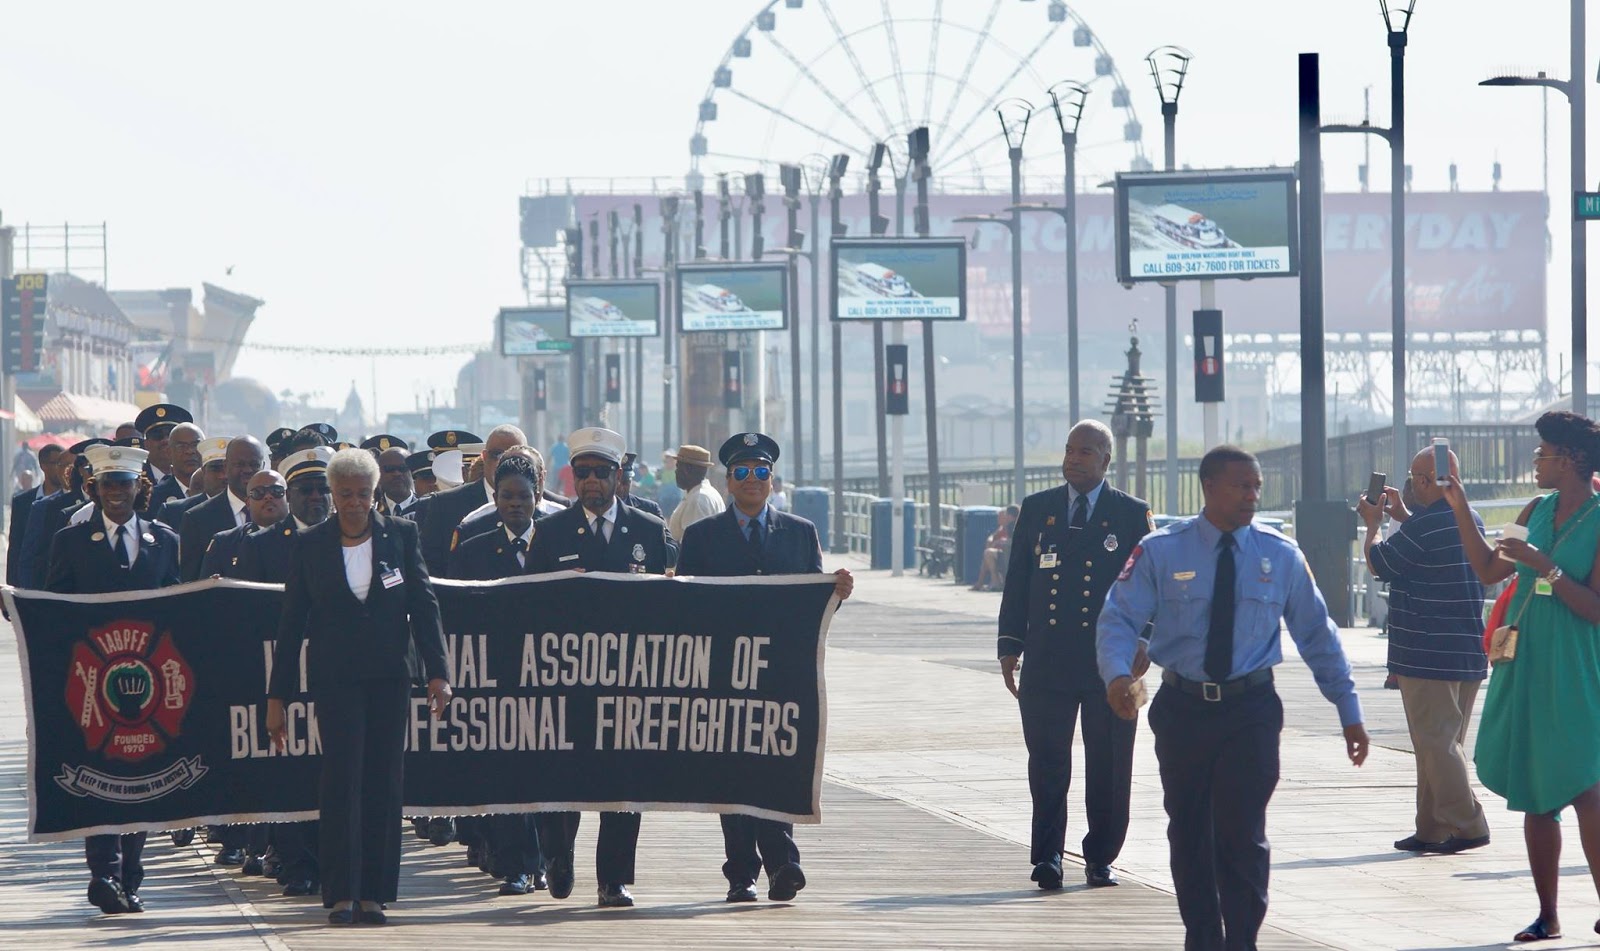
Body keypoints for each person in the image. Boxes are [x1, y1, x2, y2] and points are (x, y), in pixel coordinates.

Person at [1097, 445, 1368, 951]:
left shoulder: (1280, 554)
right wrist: (1116, 676)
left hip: (1251, 711)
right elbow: (1119, 616)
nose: (1252, 495)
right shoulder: (1161, 550)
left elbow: (1318, 635)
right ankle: (1203, 938)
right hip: (1183, 711)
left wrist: (1348, 710)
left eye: (1256, 486)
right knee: (1190, 833)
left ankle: (1242, 940)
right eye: (1241, 485)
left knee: (1242, 834)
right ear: (1209, 487)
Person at [267, 448, 451, 926]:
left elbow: (425, 607)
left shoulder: (402, 536)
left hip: (390, 676)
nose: (353, 503)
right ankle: (342, 893)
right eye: (344, 494)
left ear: (374, 495)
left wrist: (439, 674)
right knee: (341, 782)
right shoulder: (310, 546)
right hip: (336, 679)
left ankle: (375, 892)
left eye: (362, 494)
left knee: (384, 783)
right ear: (333, 495)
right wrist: (276, 698)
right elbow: (290, 627)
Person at [676, 432, 854, 904]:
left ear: (771, 480)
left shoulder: (800, 533)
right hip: (722, 677)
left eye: (760, 472)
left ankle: (783, 863)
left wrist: (836, 595)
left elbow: (814, 608)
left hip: (781, 674)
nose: (752, 480)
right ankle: (741, 873)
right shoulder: (701, 537)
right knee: (730, 770)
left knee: (779, 762)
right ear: (728, 480)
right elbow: (685, 609)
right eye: (742, 472)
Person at [1449, 411, 1600, 943]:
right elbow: (1491, 570)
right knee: (1537, 792)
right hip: (1526, 661)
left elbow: (1596, 609)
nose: (1535, 461)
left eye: (1543, 453)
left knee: (1586, 784)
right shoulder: (1535, 508)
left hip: (1578, 667)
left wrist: (1546, 566)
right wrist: (1461, 507)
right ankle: (1548, 914)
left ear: (1574, 459)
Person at [998, 421, 1152, 891]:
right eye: (1068, 449)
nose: (1073, 458)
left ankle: (1101, 856)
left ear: (1106, 460)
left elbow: (1151, 582)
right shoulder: (1038, 509)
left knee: (1108, 764)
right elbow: (1018, 580)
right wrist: (1009, 645)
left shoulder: (1131, 514)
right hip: (1047, 658)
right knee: (1047, 763)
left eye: (1085, 451)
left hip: (1110, 661)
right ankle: (1047, 857)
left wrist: (1145, 639)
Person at [525, 427, 671, 909]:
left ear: (617, 476)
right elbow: (526, 604)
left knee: (622, 781)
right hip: (567, 679)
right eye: (582, 472)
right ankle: (557, 853)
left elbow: (675, 599)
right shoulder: (549, 531)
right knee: (564, 776)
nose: (591, 481)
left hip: (628, 678)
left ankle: (614, 879)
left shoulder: (649, 529)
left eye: (600, 473)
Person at [45, 443, 180, 915]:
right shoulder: (71, 540)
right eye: (107, 484)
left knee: (140, 777)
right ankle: (103, 873)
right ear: (94, 489)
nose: (116, 492)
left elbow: (178, 612)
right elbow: (56, 609)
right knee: (101, 776)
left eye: (124, 484)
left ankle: (130, 878)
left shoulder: (165, 540)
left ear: (139, 488)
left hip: (150, 683)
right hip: (92, 680)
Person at [1358, 446, 1489, 855]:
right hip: (1465, 651)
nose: (1412, 484)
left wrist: (1373, 525)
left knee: (1435, 744)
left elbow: (1380, 563)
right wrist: (1405, 519)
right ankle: (1430, 827)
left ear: (1431, 481)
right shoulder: (1469, 518)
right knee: (1441, 744)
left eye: (1417, 477)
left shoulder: (1424, 527)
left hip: (1426, 653)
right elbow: (1431, 541)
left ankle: (1469, 825)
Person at [448, 454, 547, 897]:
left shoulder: (557, 542)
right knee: (506, 775)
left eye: (522, 496)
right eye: (506, 496)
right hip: (496, 680)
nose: (514, 504)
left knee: (547, 777)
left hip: (548, 677)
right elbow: (455, 617)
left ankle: (547, 858)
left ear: (537, 498)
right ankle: (516, 866)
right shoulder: (472, 549)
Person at [237, 447, 334, 899]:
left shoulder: (351, 538)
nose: (315, 497)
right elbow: (253, 621)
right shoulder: (262, 546)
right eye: (305, 490)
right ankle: (296, 863)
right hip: (284, 679)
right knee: (288, 775)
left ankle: (330, 860)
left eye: (322, 489)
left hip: (336, 676)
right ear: (288, 496)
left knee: (331, 774)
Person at [418, 427, 516, 572]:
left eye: (513, 455)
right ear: (484, 456)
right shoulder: (444, 505)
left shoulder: (546, 504)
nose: (503, 461)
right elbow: (429, 565)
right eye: (496, 454)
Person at [179, 436, 265, 582]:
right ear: (226, 467)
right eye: (240, 464)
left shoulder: (276, 512)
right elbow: (190, 580)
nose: (248, 470)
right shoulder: (197, 518)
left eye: (254, 464)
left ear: (263, 466)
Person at [8, 442, 62, 586]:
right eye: (56, 463)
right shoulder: (22, 502)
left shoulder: (71, 501)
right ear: (43, 465)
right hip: (29, 581)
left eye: (63, 464)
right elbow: (15, 547)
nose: (61, 469)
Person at [667, 444, 724, 541]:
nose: (676, 472)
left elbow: (692, 544)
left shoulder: (698, 499)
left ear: (688, 469)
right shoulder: (707, 493)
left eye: (678, 467)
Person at [972, 504, 1018, 592]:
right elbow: (994, 535)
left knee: (988, 553)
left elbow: (1014, 541)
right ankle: (992, 582)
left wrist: (999, 542)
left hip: (1010, 555)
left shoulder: (1014, 525)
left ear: (1009, 515)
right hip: (1006, 553)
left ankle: (993, 582)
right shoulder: (1008, 525)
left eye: (1005, 515)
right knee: (988, 553)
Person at [375, 447, 420, 517]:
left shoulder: (424, 509)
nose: (397, 473)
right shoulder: (373, 511)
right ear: (378, 473)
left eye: (403, 468)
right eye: (389, 469)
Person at [617, 452, 663, 518]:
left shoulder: (650, 509)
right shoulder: (599, 509)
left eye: (625, 483)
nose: (621, 488)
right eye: (617, 483)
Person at [657, 450, 684, 520]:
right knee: (666, 517)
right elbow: (658, 482)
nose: (668, 463)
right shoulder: (662, 471)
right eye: (666, 461)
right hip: (665, 498)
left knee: (675, 516)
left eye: (670, 461)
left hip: (676, 498)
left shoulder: (678, 470)